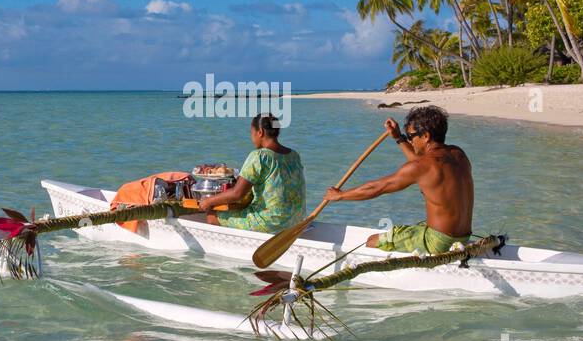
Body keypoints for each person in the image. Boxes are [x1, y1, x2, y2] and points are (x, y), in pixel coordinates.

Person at [323, 105, 473, 253]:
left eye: (411, 137)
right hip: (463, 239)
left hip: (437, 242)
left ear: (426, 136)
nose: (410, 141)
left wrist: (340, 195)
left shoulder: (422, 167)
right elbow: (420, 163)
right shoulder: (458, 154)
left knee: (372, 241)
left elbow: (377, 188)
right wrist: (398, 137)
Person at [197, 114, 306, 233]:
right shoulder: (294, 155)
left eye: (251, 132)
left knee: (212, 216)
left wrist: (208, 201)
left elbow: (237, 194)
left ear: (260, 132)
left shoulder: (259, 156)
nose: (251, 137)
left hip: (272, 223)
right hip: (297, 220)